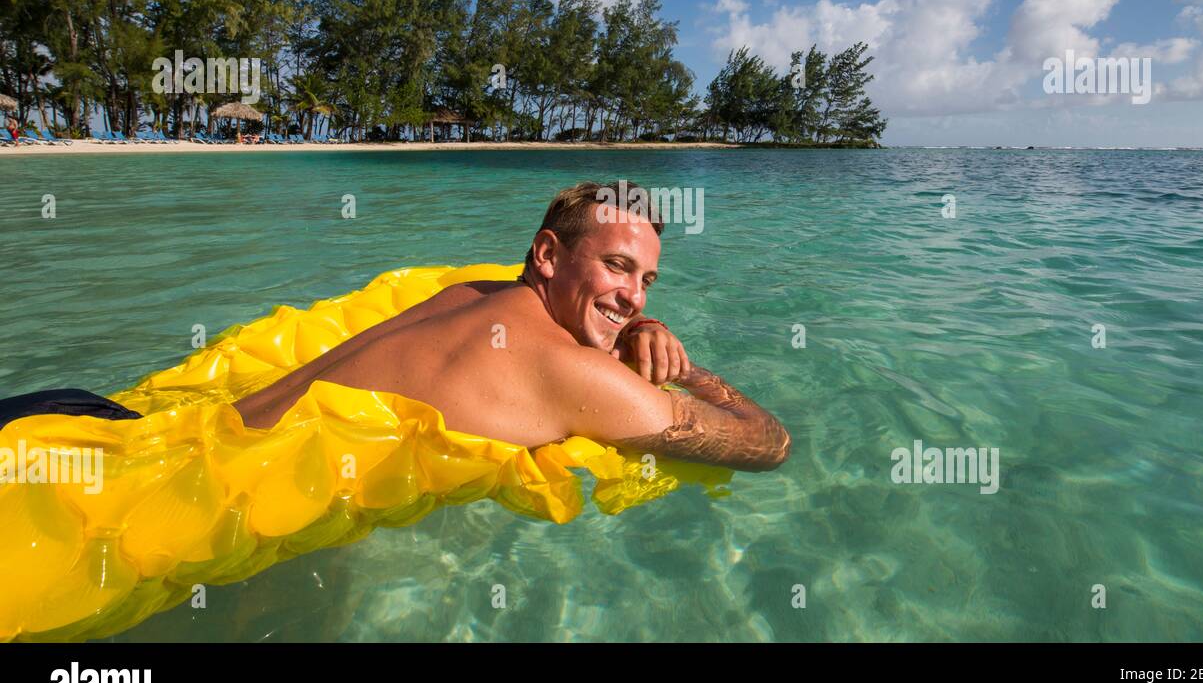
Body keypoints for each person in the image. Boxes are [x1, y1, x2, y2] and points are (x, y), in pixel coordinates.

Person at [4, 182, 791, 472]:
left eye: (647, 280)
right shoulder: (579, 379)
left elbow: (569, 307)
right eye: (619, 266)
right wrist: (682, 367)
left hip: (96, 421)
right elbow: (764, 443)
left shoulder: (475, 294)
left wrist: (631, 318)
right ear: (548, 254)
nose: (631, 293)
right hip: (129, 479)